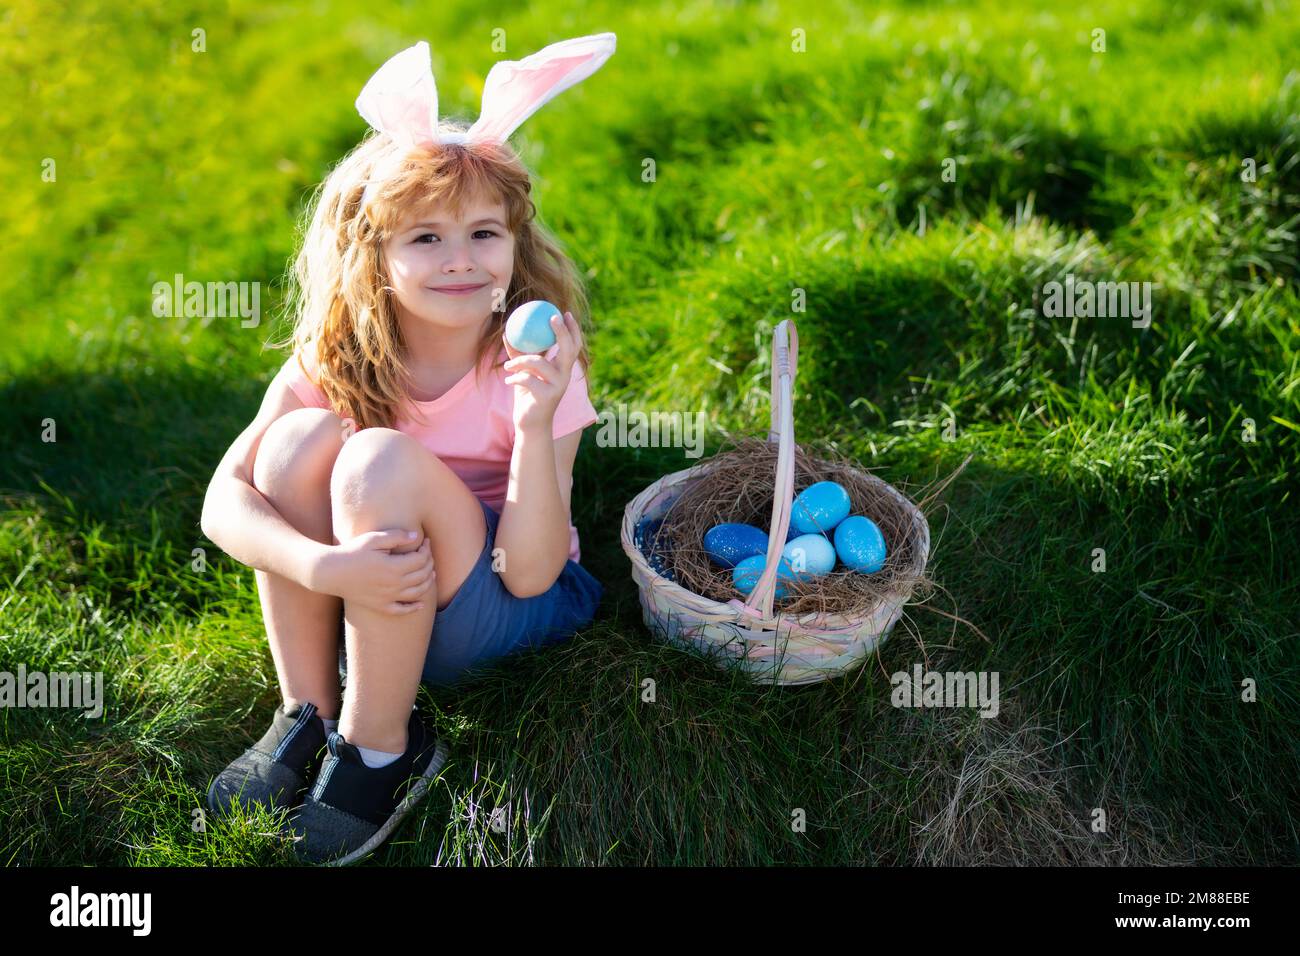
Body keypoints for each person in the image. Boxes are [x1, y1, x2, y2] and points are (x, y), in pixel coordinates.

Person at [199, 33, 617, 865]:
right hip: (378, 582)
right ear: (376, 256)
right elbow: (224, 503)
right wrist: (325, 570)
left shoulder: (534, 363)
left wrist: (536, 425)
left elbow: (531, 573)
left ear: (516, 245)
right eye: (425, 239)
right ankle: (309, 715)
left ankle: (382, 750)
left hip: (503, 605)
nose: (462, 262)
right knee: (295, 446)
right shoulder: (337, 353)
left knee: (374, 460)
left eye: (484, 235)